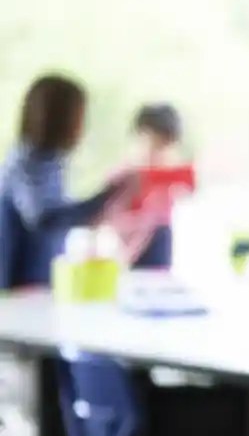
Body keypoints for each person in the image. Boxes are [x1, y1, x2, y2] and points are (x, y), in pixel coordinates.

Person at [0, 74, 134, 290]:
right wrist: (106, 196)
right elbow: (45, 217)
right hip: (18, 291)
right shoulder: (27, 162)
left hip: (36, 284)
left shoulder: (50, 162)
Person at [106, 103, 186, 270]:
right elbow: (109, 214)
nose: (158, 152)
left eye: (164, 145)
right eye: (153, 142)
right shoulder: (125, 173)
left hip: (159, 243)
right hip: (126, 246)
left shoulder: (170, 175)